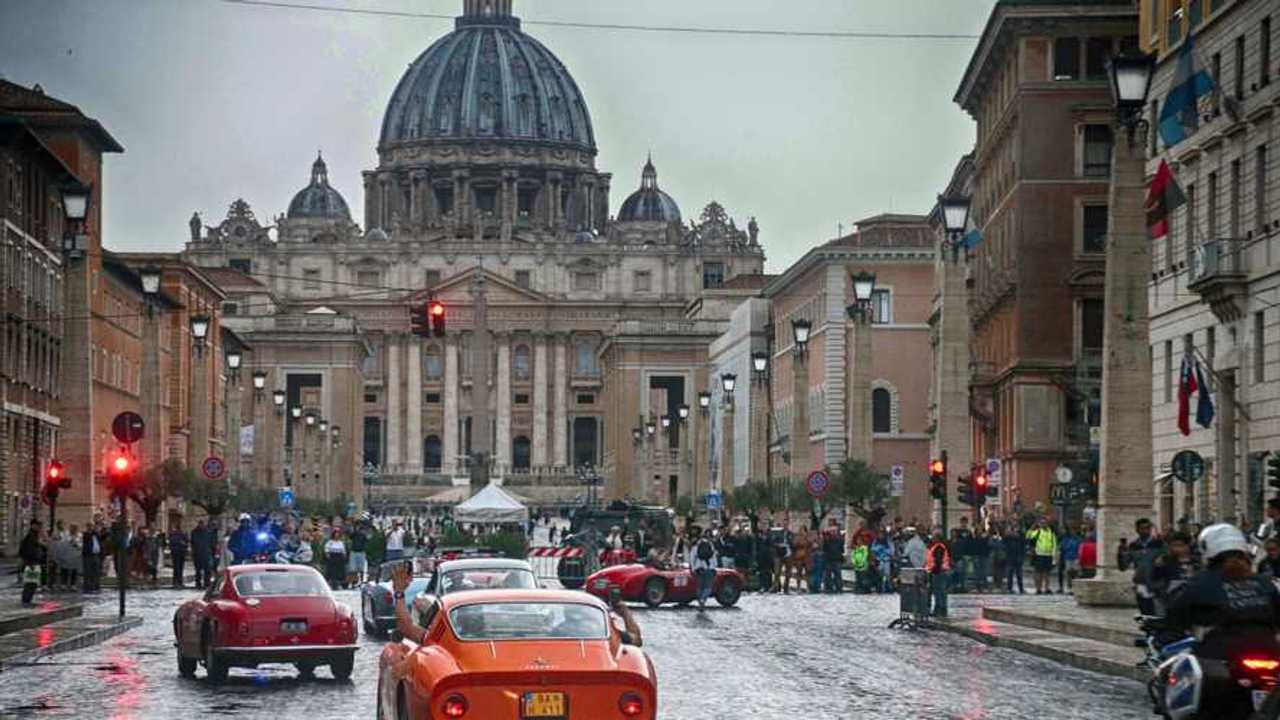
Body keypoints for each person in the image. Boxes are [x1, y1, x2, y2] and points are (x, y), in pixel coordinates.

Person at [1166, 524, 1280, 719]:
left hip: (1222, 652)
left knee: (1197, 698)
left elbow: (1177, 612)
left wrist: (1170, 630)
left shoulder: (1204, 581)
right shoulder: (1262, 582)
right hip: (1270, 650)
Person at [1125, 518, 1166, 615]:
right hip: (1141, 584)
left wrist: (1162, 559)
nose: (1145, 531)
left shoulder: (1159, 543)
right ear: (1137, 530)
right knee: (1145, 614)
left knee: (1158, 613)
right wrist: (1121, 553)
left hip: (1157, 584)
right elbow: (1124, 565)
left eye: (1147, 528)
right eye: (1142, 528)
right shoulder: (1133, 545)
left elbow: (1168, 558)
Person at [1149, 531, 1197, 615]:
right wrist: (1157, 567)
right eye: (1173, 545)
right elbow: (1155, 580)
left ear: (1187, 546)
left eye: (1179, 545)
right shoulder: (1165, 562)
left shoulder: (1197, 562)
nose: (1176, 548)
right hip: (1172, 604)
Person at [1025, 517, 1057, 595]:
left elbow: (1054, 544)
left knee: (1047, 573)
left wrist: (1054, 555)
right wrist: (1031, 529)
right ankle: (1038, 588)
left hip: (1048, 555)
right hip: (1039, 554)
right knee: (1038, 572)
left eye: (1044, 523)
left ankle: (1046, 588)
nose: (1043, 524)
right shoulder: (1038, 531)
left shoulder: (1051, 532)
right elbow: (1028, 536)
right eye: (1041, 523)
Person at [924, 529, 951, 618]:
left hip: (939, 572)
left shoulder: (939, 547)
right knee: (939, 592)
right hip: (938, 571)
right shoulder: (935, 547)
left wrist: (933, 570)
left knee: (939, 592)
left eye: (934, 537)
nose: (932, 538)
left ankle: (940, 609)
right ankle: (940, 609)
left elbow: (938, 561)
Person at [689, 528, 718, 610]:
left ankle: (700, 602)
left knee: (699, 587)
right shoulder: (711, 545)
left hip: (699, 568)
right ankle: (703, 601)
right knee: (708, 587)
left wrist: (693, 568)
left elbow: (692, 558)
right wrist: (714, 567)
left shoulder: (696, 546)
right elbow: (714, 557)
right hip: (709, 567)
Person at [81, 519, 104, 593]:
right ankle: (88, 587)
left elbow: (103, 536)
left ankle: (96, 586)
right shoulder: (85, 534)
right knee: (88, 572)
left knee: (96, 572)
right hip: (88, 555)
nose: (91, 527)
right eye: (89, 526)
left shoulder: (96, 534)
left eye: (92, 526)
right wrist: (91, 532)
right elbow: (85, 541)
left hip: (96, 555)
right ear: (87, 527)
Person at [1002, 525, 1026, 594]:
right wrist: (1009, 534)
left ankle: (1021, 588)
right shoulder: (1008, 535)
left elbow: (1023, 543)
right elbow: (1005, 541)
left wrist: (1022, 555)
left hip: (1018, 556)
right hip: (1010, 556)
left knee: (1019, 574)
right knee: (1010, 573)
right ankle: (1009, 588)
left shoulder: (1021, 534)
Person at [1058, 525, 1081, 595]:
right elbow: (1063, 547)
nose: (1072, 532)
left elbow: (1079, 548)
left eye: (1074, 530)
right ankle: (1069, 587)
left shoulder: (1078, 539)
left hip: (1076, 558)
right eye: (1071, 530)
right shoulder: (1066, 538)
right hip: (1067, 558)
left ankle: (1076, 587)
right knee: (1068, 573)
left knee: (1075, 573)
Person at [822, 520, 843, 594]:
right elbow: (824, 547)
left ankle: (839, 588)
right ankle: (828, 588)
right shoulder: (827, 540)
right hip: (828, 559)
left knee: (838, 575)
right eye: (832, 531)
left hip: (837, 559)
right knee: (827, 575)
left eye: (835, 531)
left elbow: (841, 549)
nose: (833, 532)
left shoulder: (840, 540)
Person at [168, 520, 189, 589]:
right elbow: (186, 543)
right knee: (178, 568)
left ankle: (177, 581)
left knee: (177, 568)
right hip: (178, 553)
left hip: (178, 553)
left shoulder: (175, 535)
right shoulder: (176, 535)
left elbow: (186, 543)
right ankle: (178, 581)